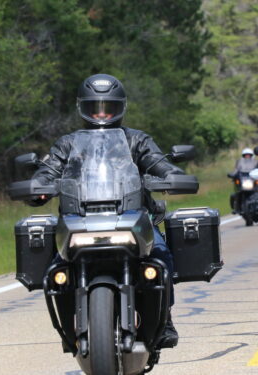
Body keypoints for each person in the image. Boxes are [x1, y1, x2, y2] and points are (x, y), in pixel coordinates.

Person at [28, 73, 183, 348]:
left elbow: (160, 163)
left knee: (160, 255)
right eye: (94, 108)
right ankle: (68, 327)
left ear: (119, 108)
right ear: (82, 108)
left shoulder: (137, 140)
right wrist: (38, 185)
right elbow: (48, 170)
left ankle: (165, 318)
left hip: (132, 218)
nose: (101, 114)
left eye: (107, 107)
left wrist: (172, 175)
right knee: (55, 268)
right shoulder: (68, 143)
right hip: (79, 219)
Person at [229, 148, 258, 213]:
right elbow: (236, 170)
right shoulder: (239, 162)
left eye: (249, 155)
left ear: (251, 155)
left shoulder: (255, 162)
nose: (247, 156)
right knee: (237, 193)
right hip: (243, 180)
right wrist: (232, 174)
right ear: (243, 156)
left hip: (252, 180)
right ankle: (236, 208)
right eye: (245, 155)